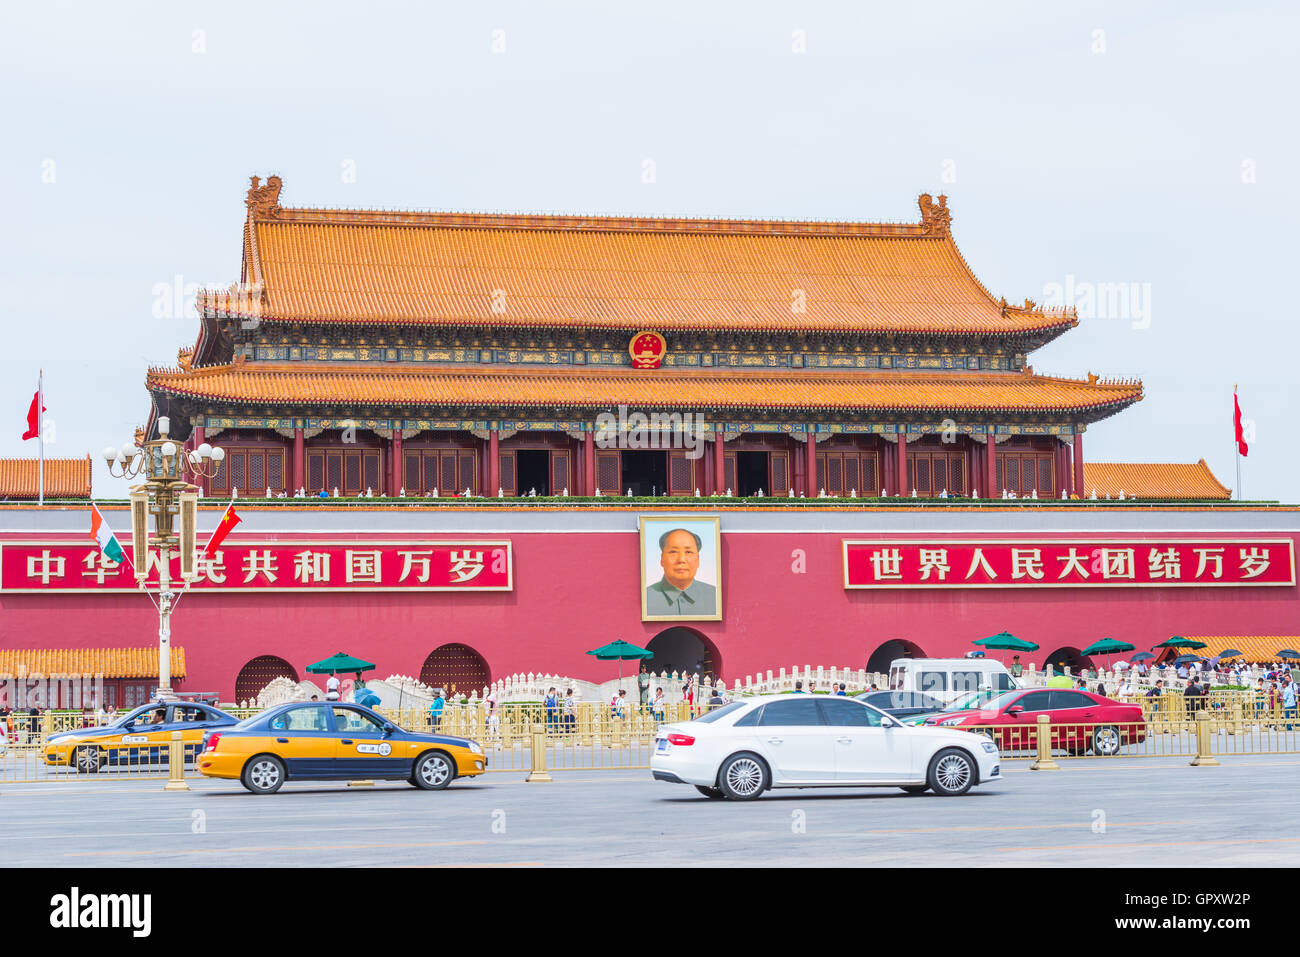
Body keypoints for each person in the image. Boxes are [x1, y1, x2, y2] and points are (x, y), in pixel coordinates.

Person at [644, 528, 717, 617]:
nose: (681, 560)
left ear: (698, 560)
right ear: (662, 559)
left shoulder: (716, 597)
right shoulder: (645, 598)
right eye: (673, 552)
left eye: (688, 552)